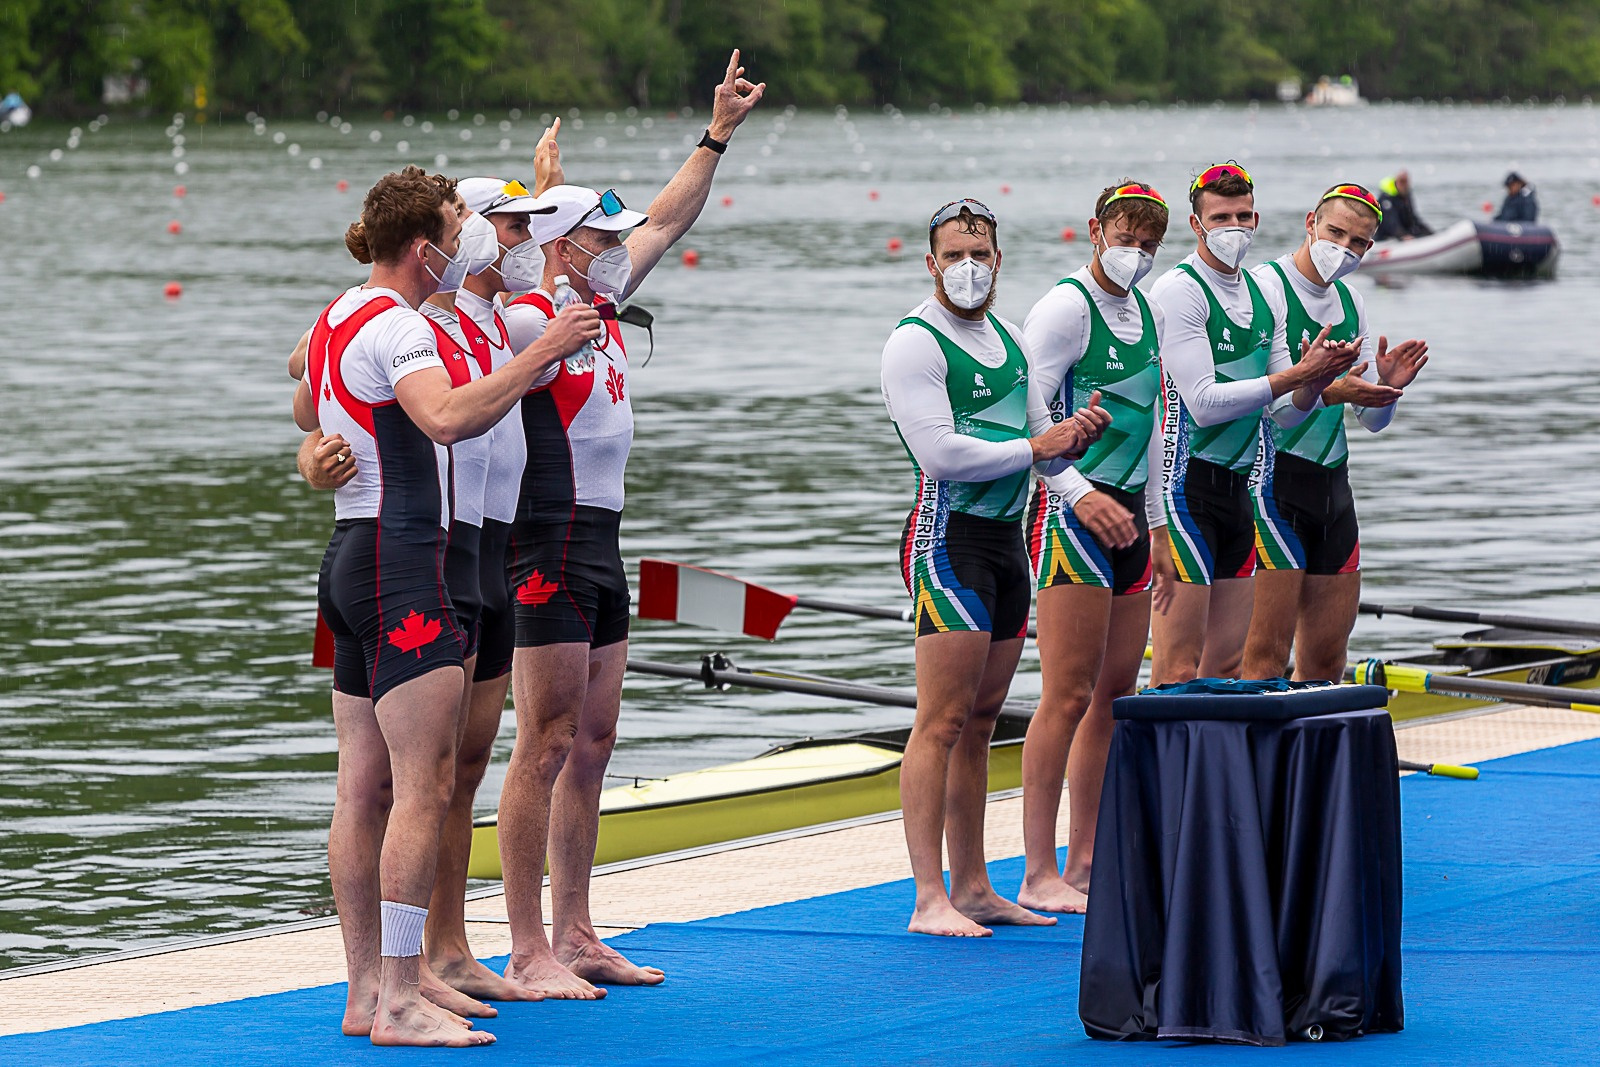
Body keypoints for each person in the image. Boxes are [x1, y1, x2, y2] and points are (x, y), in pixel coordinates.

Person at [292, 165, 601, 1046]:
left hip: (351, 562)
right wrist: (540, 353)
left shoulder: (336, 314)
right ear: (426, 248)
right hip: (406, 566)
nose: (470, 228)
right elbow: (448, 419)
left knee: (363, 785)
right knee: (420, 788)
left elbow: (307, 400)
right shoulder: (397, 326)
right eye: (461, 218)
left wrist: (316, 456)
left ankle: (367, 991)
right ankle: (397, 992)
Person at [492, 49, 766, 998]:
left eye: (616, 235)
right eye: (599, 235)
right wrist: (531, 202)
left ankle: (576, 930)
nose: (622, 243)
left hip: (604, 542)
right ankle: (524, 947)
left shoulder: (599, 300)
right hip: (546, 543)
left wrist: (718, 131)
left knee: (595, 740)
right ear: (561, 248)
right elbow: (483, 263)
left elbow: (671, 213)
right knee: (546, 738)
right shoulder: (527, 319)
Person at [882, 197, 1111, 937]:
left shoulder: (1013, 341)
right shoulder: (914, 343)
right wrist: (1041, 449)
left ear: (999, 261)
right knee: (940, 719)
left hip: (1008, 546)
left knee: (982, 721)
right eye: (953, 255)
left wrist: (1078, 459)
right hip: (946, 544)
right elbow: (940, 453)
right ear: (931, 263)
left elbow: (1044, 445)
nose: (968, 266)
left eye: (979, 254)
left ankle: (975, 885)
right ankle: (928, 896)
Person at [1147, 162, 1360, 686]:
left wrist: (1314, 381)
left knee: (1227, 669)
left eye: (1243, 216)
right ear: (1197, 225)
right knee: (1176, 670)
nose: (1234, 228)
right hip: (1184, 489)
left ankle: (1225, 770)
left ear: (1257, 218)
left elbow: (1286, 411)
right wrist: (1297, 377)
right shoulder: (1180, 290)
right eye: (1221, 218)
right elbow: (1203, 403)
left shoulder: (1264, 295)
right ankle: (1166, 768)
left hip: (1242, 490)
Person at [1017, 180, 1169, 914]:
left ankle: (1086, 858)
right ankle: (1038, 870)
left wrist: (1160, 525)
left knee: (1116, 693)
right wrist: (1082, 495)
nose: (1135, 253)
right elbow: (1031, 417)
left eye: (1148, 243)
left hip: (1133, 520)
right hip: (1072, 518)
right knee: (1067, 695)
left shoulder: (1144, 309)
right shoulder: (1064, 308)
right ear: (1095, 230)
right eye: (1125, 236)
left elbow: (1159, 427)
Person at [1241, 184, 1427, 682]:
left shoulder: (1350, 299)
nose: (1344, 249)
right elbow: (1275, 410)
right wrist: (1332, 389)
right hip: (1270, 487)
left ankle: (1307, 760)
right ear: (1310, 223)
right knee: (1262, 660)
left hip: (1332, 490)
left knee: (1326, 663)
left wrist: (1384, 389)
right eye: (1335, 233)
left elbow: (1369, 421)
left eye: (1358, 243)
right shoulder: (1264, 287)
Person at [1374, 170, 1432, 241]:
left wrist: (1430, 233)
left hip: (1404, 234)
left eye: (1406, 182)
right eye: (1402, 182)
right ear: (1396, 182)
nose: (1404, 185)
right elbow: (1390, 222)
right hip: (1385, 238)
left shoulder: (1406, 196)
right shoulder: (1386, 199)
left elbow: (1413, 218)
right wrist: (1402, 235)